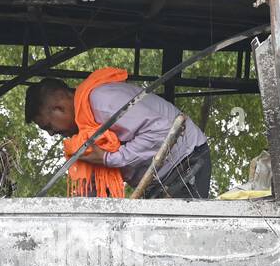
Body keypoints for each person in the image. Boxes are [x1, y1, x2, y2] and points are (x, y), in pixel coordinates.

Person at [24, 68, 211, 199]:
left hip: (185, 163)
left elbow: (162, 131)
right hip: (158, 181)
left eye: (48, 126)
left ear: (59, 107)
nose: (51, 134)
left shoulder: (102, 101)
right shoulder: (86, 128)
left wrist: (108, 158)